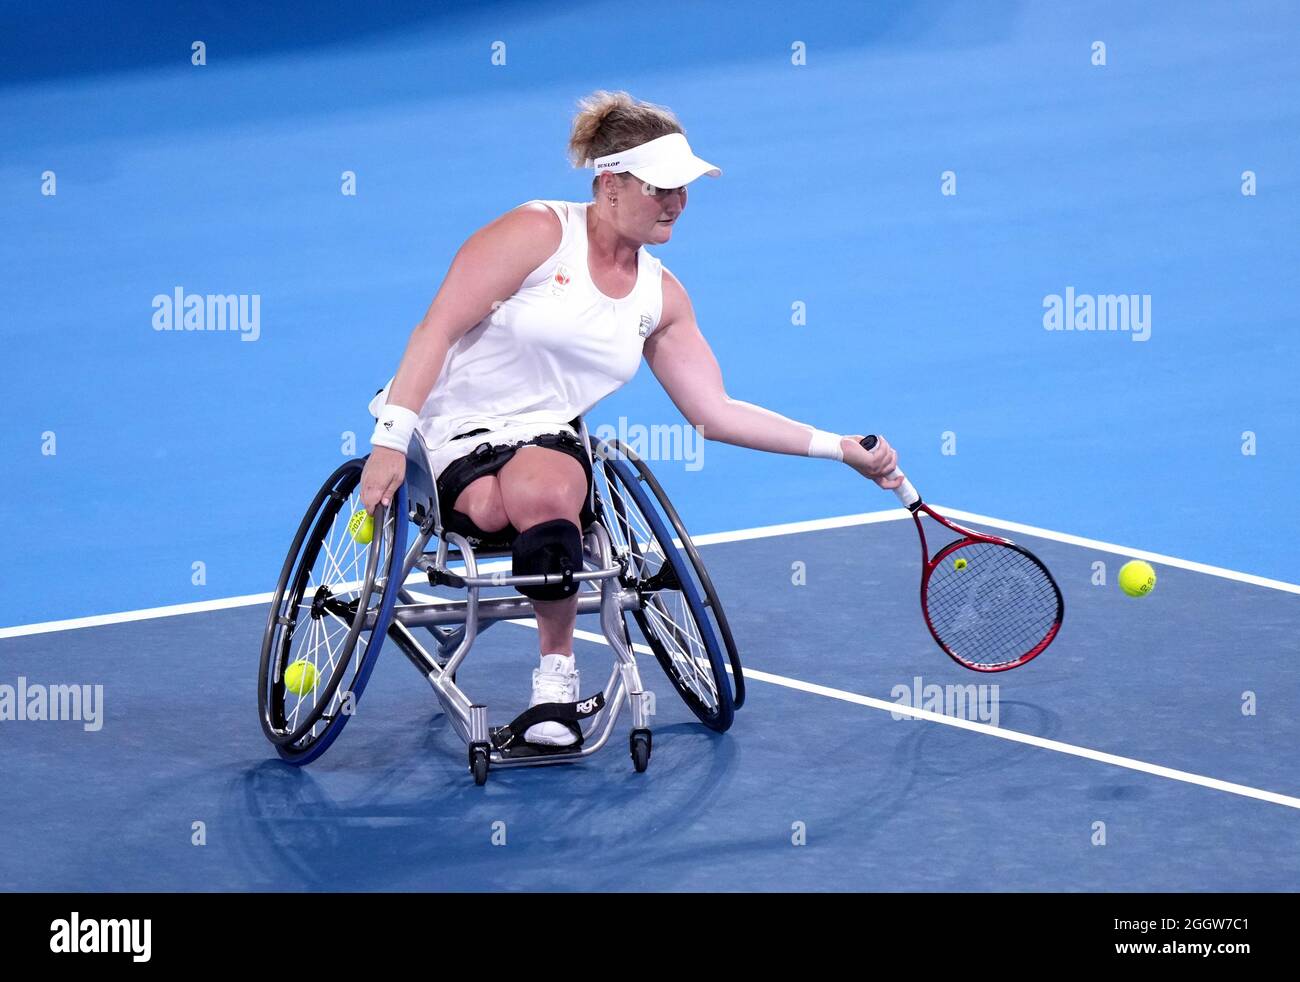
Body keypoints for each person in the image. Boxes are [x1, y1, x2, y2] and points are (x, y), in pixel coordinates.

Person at [360, 90, 902, 745]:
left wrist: (838, 447)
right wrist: (391, 438)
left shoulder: (661, 297)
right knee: (492, 510)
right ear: (610, 184)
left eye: (685, 189)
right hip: (447, 428)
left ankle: (554, 687)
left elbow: (715, 412)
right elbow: (436, 328)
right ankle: (525, 561)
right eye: (662, 187)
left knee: (545, 493)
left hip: (543, 437)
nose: (677, 202)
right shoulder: (536, 233)